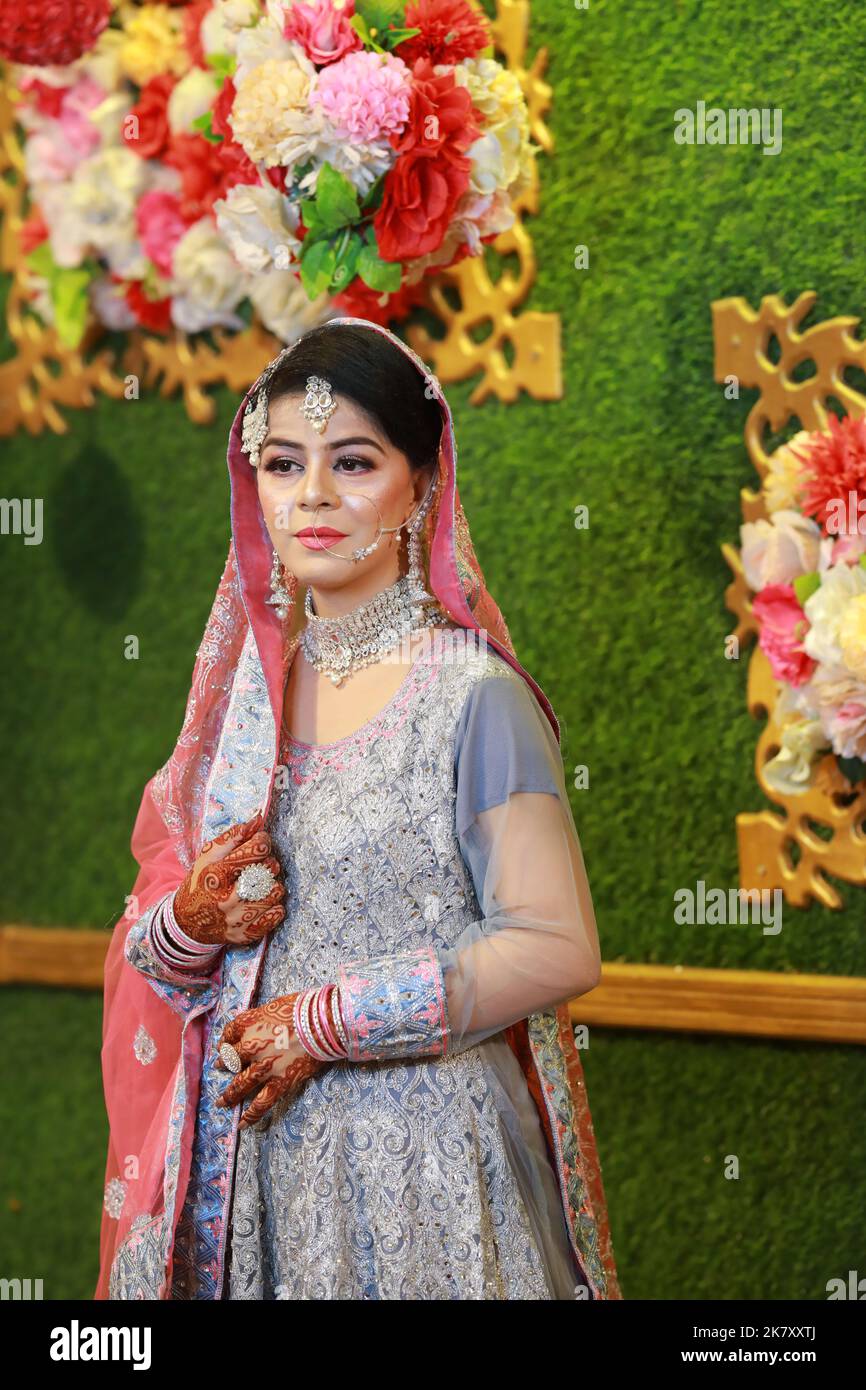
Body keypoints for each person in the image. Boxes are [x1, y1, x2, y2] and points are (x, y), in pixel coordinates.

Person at [95, 316, 621, 1301]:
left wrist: (326, 1022)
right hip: (256, 1169)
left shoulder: (472, 696)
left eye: (353, 462)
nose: (313, 499)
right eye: (283, 464)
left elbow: (556, 946)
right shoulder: (245, 710)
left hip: (426, 1162)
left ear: (421, 484)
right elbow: (159, 942)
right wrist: (188, 921)